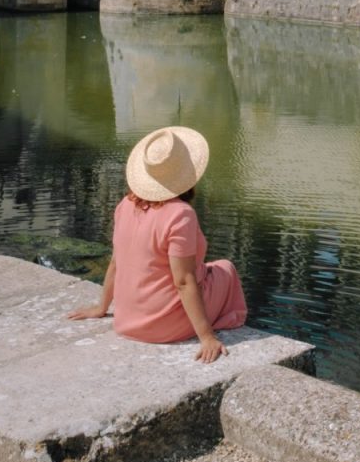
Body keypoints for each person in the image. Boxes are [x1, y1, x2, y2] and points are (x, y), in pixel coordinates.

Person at [68, 125, 247, 363]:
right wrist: (206, 337)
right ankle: (217, 322)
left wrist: (102, 307)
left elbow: (116, 261)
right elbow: (183, 281)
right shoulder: (180, 214)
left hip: (126, 321)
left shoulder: (125, 205)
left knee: (205, 271)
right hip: (163, 325)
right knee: (226, 269)